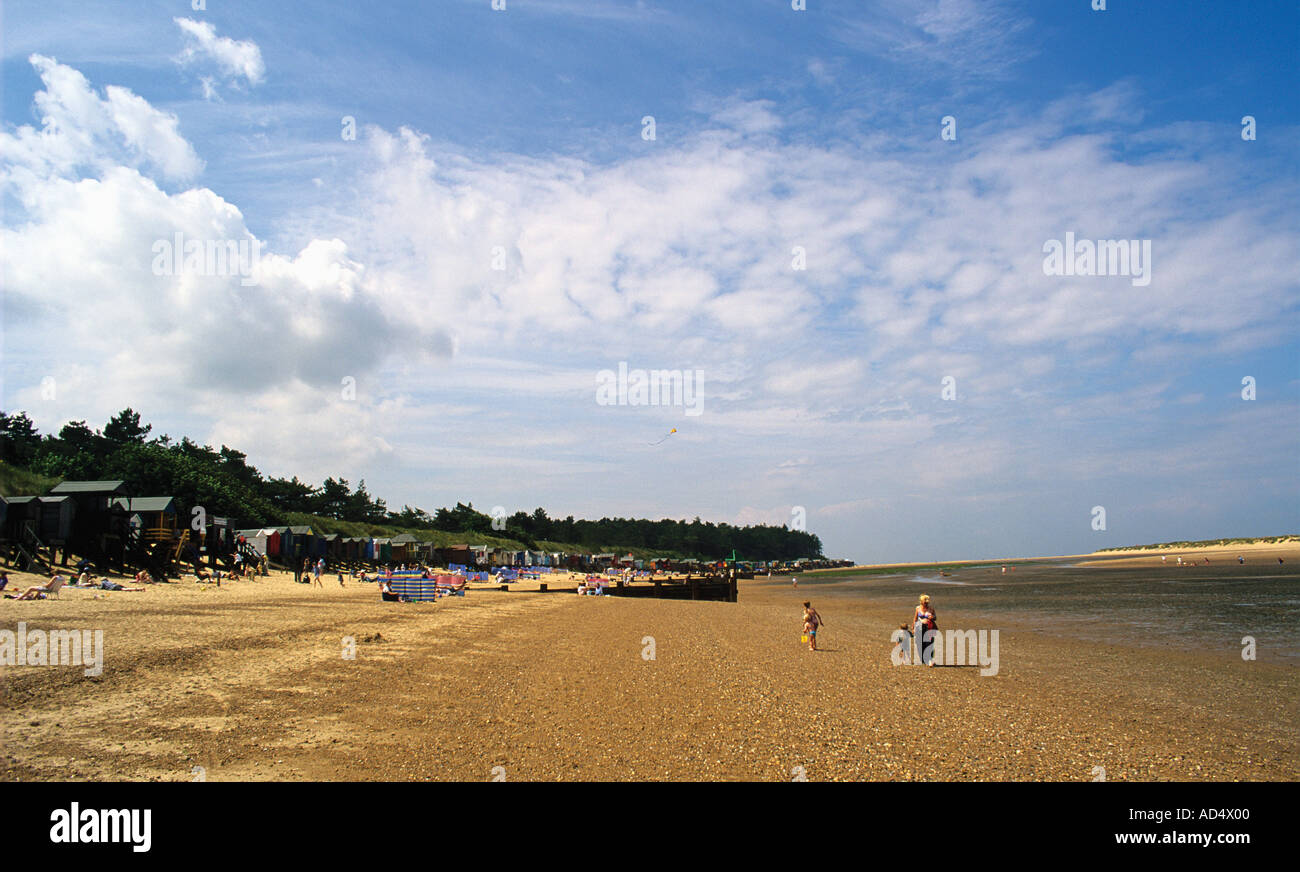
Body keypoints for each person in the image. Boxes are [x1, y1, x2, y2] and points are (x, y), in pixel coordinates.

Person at [913, 594, 938, 666]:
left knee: (929, 643)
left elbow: (935, 617)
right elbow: (915, 619)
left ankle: (930, 659)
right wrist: (913, 628)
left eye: (927, 602)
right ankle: (923, 659)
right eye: (925, 602)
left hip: (929, 627)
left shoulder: (931, 608)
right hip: (919, 627)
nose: (926, 603)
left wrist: (932, 617)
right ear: (921, 602)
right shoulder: (918, 608)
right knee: (919, 643)